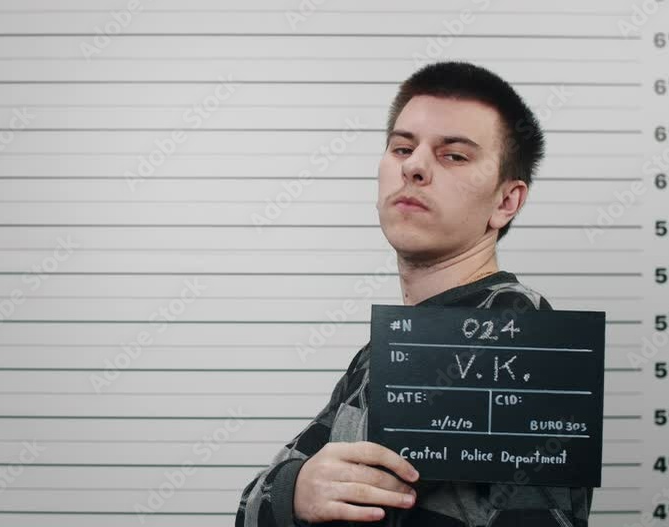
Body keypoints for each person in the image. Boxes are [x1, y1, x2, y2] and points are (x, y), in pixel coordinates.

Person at [234, 61, 593, 526]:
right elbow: (250, 507)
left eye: (454, 156)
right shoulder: (390, 349)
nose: (415, 166)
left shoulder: (516, 336)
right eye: (402, 148)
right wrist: (297, 489)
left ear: (506, 201)